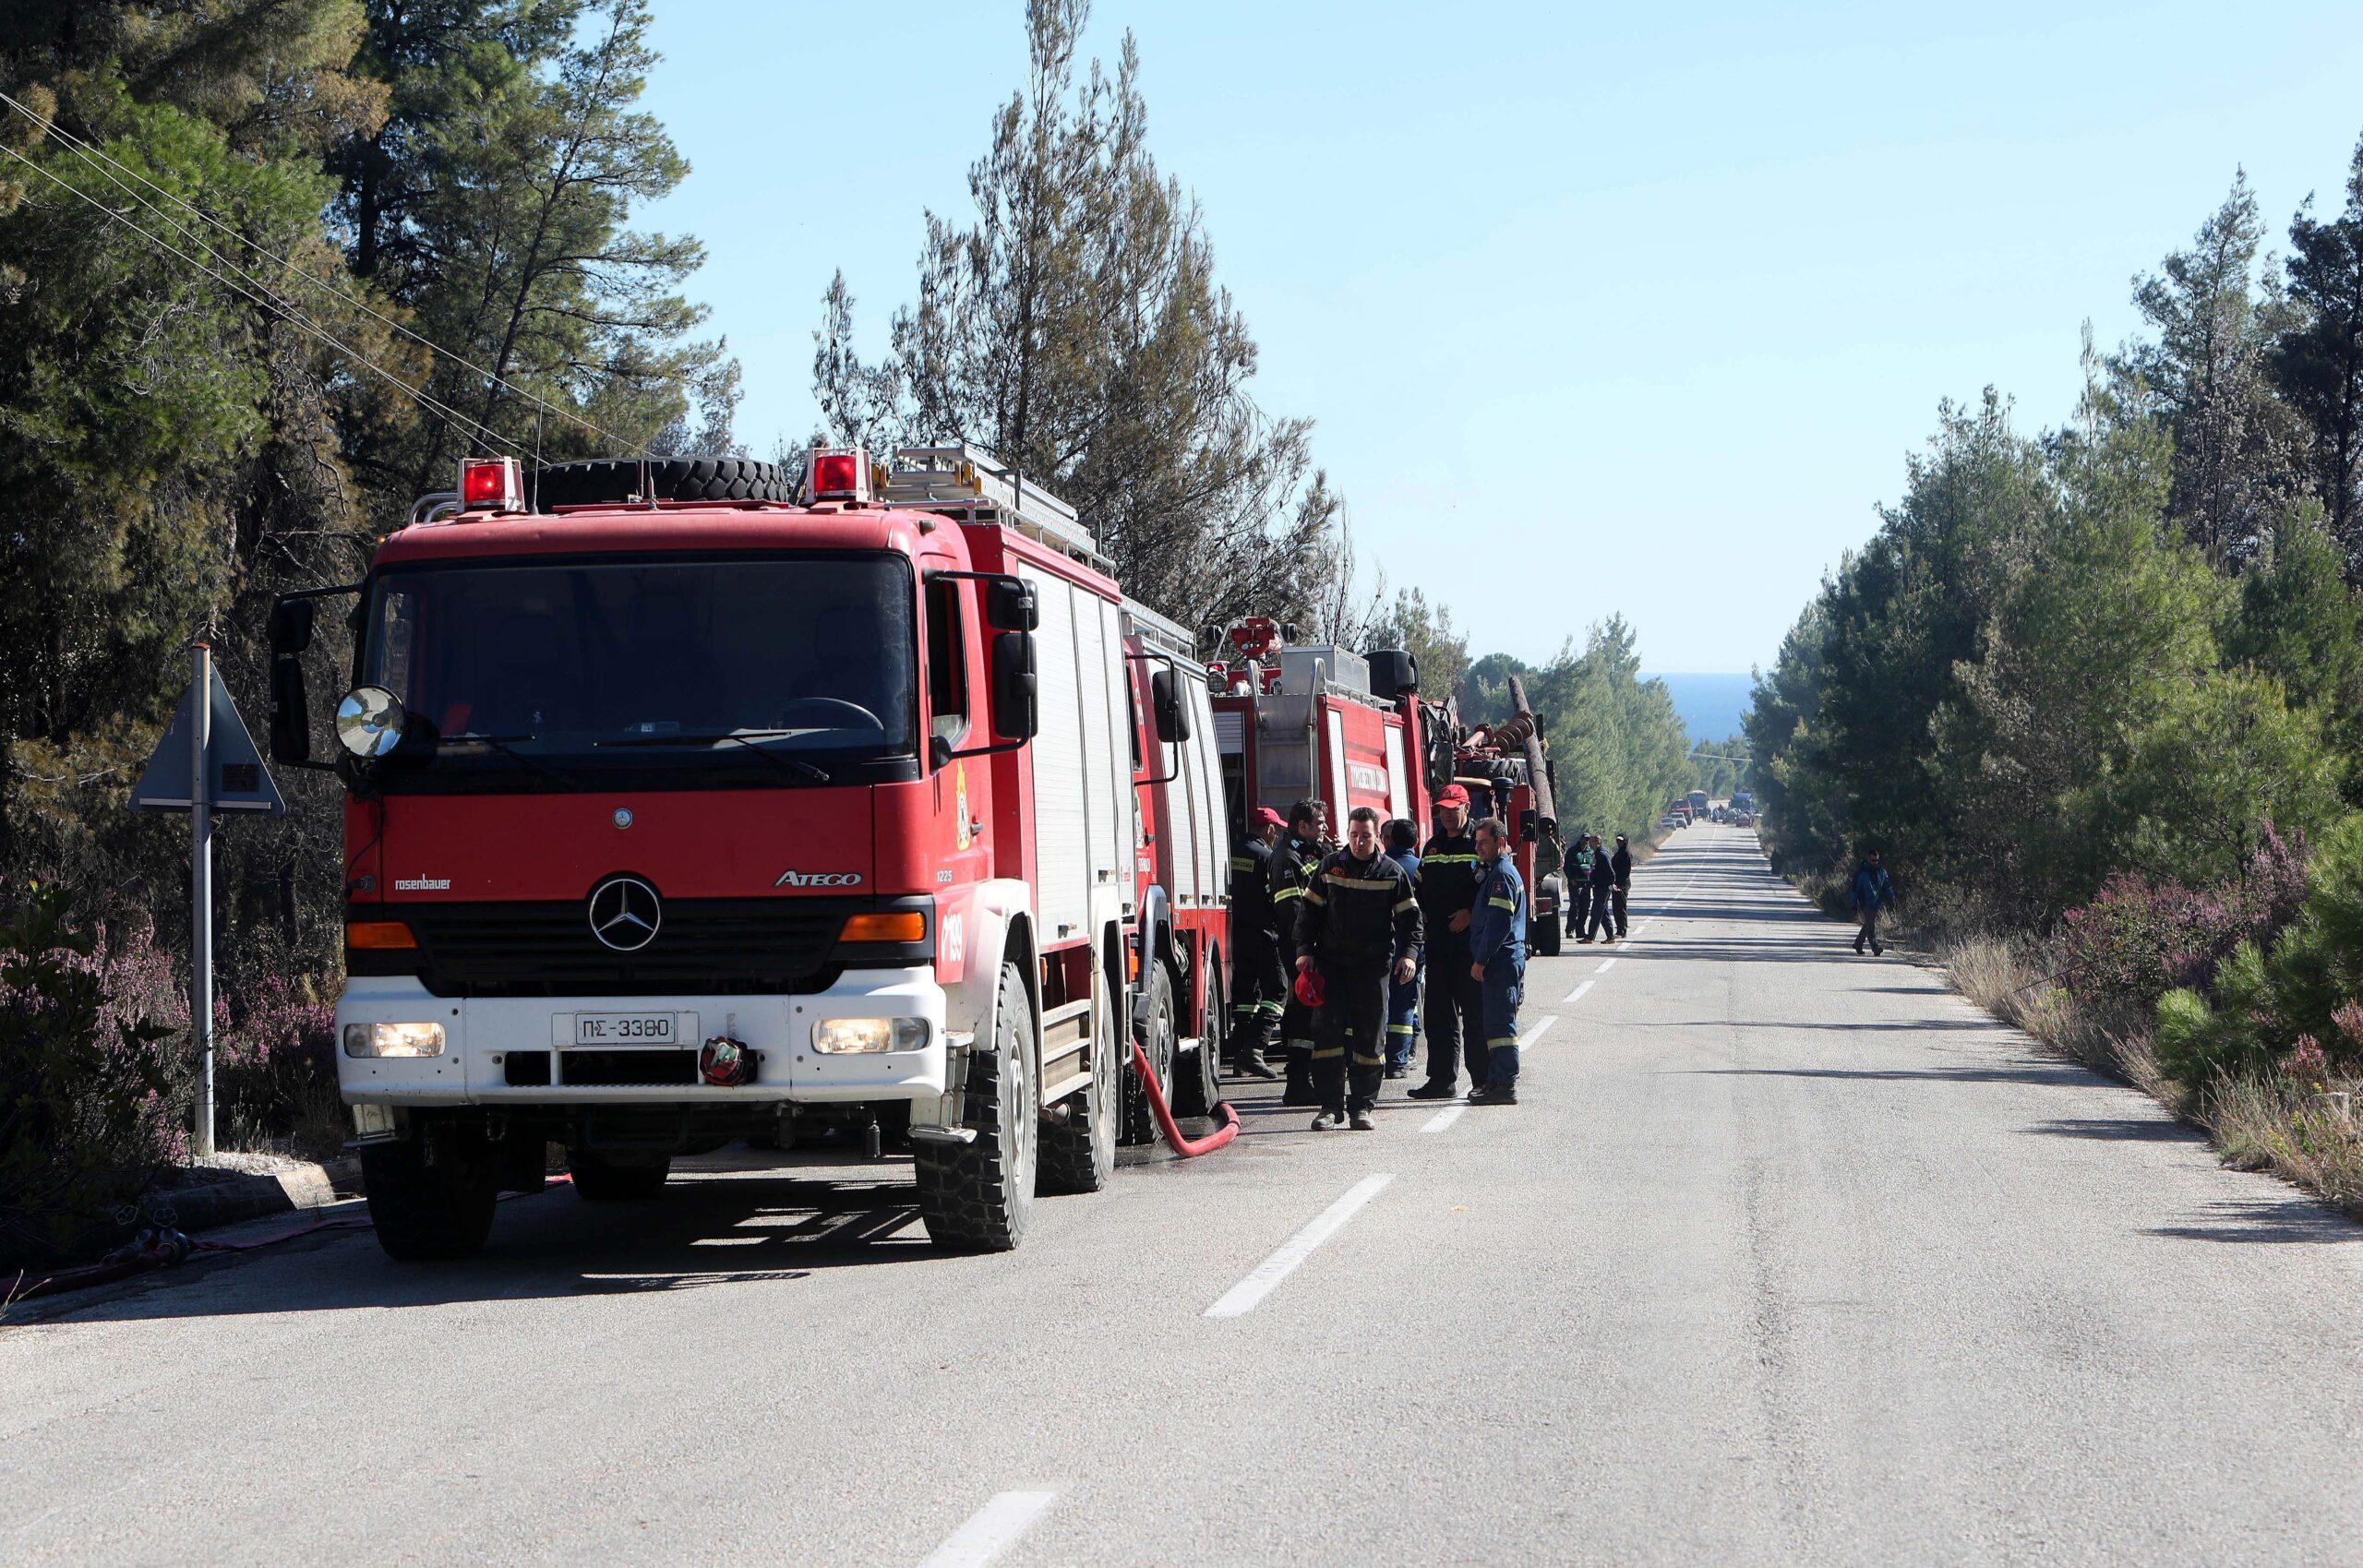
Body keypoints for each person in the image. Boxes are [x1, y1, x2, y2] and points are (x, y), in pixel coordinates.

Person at [1295, 805, 1422, 1131]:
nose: (1359, 841)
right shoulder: (1329, 868)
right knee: (1328, 1036)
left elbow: (1412, 922)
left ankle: (1362, 1106)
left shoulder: (1391, 873)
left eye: (1365, 836)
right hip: (1331, 966)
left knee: (1370, 1038)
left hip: (1372, 967)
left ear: (1377, 837)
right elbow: (1307, 914)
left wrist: (1408, 955)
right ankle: (1329, 1107)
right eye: (1353, 835)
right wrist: (1304, 951)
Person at [1407, 784, 1488, 1100]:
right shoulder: (1432, 847)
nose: (1447, 815)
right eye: (1442, 810)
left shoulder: (1478, 844)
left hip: (1469, 946)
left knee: (1475, 1017)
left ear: (1466, 809)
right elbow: (1420, 888)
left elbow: (1491, 887)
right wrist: (1423, 920)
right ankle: (1441, 1080)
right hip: (1439, 945)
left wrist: (1471, 913)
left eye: (1453, 810)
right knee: (1439, 1017)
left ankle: (1482, 1079)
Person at [1466, 817, 1527, 1107]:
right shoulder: (1496, 872)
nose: (1479, 848)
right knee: (1495, 1025)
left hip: (1500, 962)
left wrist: (1481, 960)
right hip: (1500, 962)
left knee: (1501, 1026)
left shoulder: (1502, 875)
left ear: (1500, 842)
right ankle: (1497, 1080)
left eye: (1484, 842)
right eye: (1476, 843)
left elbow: (1499, 924)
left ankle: (1504, 1085)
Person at [1270, 800, 1328, 1104]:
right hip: (1300, 949)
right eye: (1319, 824)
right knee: (1302, 1016)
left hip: (1313, 947)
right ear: (1302, 825)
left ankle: (1308, 1080)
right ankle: (1297, 1083)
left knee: (1312, 1014)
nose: (1323, 829)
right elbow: (1293, 909)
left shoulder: (1310, 850)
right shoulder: (1286, 856)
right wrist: (1308, 949)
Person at [1225, 807, 1288, 1079]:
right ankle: (1255, 1049)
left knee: (1246, 997)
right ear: (1270, 829)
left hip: (1239, 934)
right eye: (1277, 830)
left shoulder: (1232, 852)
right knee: (1277, 991)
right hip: (1266, 934)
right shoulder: (1267, 857)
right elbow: (1275, 896)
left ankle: (1240, 1058)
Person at [1380, 818, 1423, 1078]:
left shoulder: (1379, 867)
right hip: (1409, 949)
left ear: (1390, 839)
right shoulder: (1420, 868)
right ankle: (1398, 1062)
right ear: (1415, 842)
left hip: (1380, 946)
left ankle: (1363, 1061)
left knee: (1374, 1004)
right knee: (1404, 1005)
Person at [1851, 849, 1895, 956]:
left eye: (1877, 860)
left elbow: (1887, 886)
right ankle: (1875, 947)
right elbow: (1854, 890)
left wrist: (1892, 898)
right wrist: (1853, 905)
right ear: (1868, 859)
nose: (1875, 862)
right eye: (1872, 860)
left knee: (1868, 924)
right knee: (1871, 925)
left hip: (1876, 902)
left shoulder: (1882, 872)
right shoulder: (1861, 873)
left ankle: (1858, 943)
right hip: (1865, 902)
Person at [1584, 832, 1616, 945]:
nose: (1590, 844)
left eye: (1592, 842)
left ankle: (1590, 937)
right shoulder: (1597, 854)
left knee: (1596, 911)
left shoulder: (1602, 854)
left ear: (1598, 842)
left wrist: (1610, 885)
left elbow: (1611, 872)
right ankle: (1610, 936)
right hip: (1599, 887)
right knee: (1603, 912)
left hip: (1603, 887)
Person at [1569, 832, 1598, 943]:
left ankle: (1580, 930)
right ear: (1580, 839)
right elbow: (1567, 866)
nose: (1586, 841)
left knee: (1585, 908)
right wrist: (1571, 879)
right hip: (1575, 884)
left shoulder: (1590, 852)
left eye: (1588, 840)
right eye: (1584, 839)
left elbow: (1593, 866)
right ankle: (1570, 930)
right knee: (1574, 906)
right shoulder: (1572, 851)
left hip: (1587, 884)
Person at [1610, 832, 1634, 940]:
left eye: (1621, 841)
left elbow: (1626, 871)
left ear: (1625, 842)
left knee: (1621, 907)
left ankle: (1622, 930)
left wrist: (1620, 885)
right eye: (1618, 841)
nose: (1619, 842)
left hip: (1622, 884)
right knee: (1616, 907)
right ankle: (1619, 929)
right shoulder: (1619, 853)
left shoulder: (1626, 854)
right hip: (1616, 883)